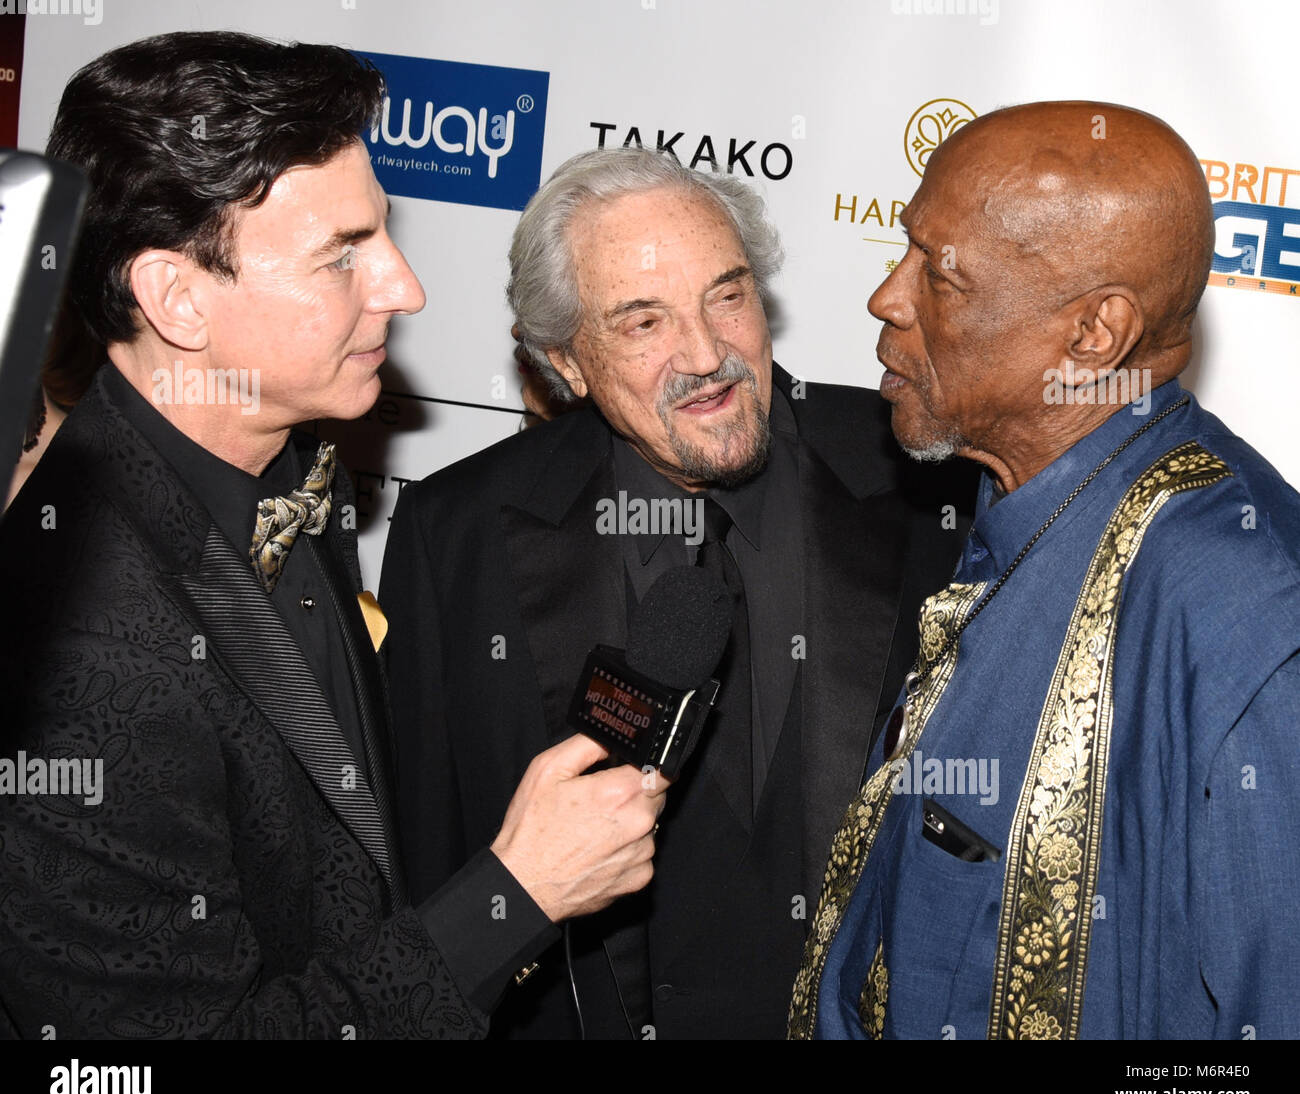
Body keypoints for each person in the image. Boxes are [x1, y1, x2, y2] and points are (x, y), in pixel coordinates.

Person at [0, 31, 667, 1040]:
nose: (404, 286)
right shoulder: (71, 648)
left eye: (384, 233)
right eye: (341, 255)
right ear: (176, 298)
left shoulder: (291, 464)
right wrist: (511, 895)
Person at [381, 146, 974, 1039]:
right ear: (566, 361)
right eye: (643, 322)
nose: (706, 354)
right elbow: (430, 867)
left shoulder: (929, 484)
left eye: (727, 297)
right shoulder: (457, 534)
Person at [790, 100, 1300, 1040]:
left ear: (1093, 335)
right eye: (905, 250)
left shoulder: (1246, 612)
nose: (887, 298)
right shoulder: (1011, 496)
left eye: (938, 273)